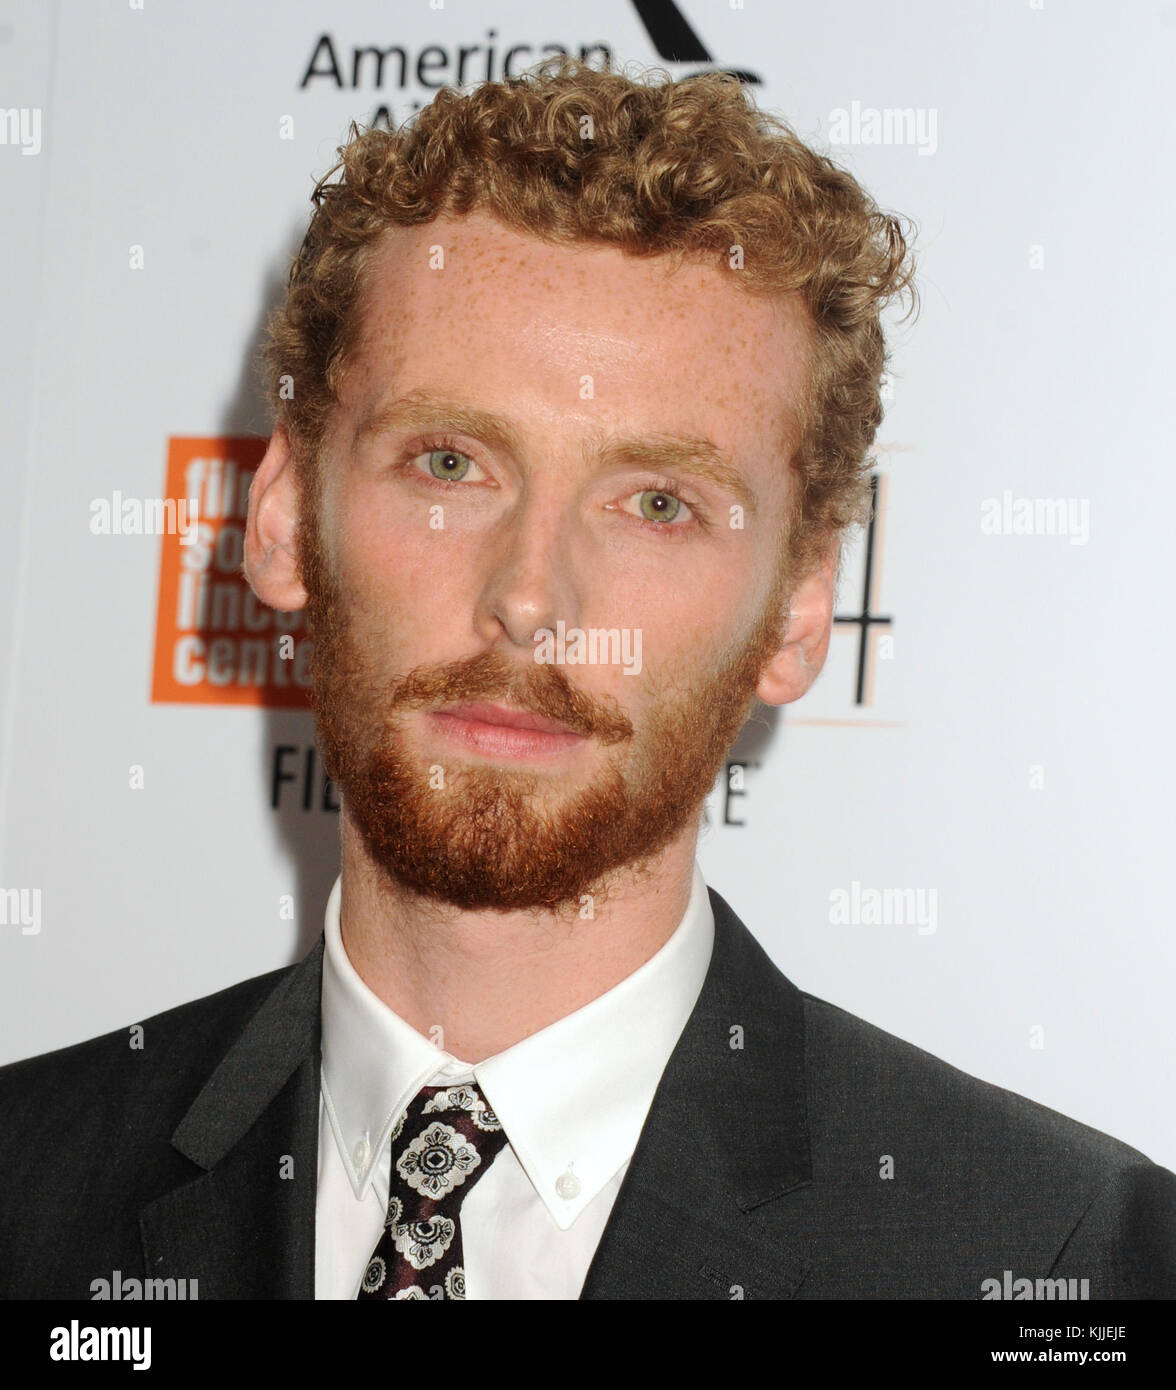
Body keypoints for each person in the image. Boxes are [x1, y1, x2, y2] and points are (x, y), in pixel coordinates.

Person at [1, 57, 1172, 1301]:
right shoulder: (28, 1189)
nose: (532, 599)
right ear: (284, 516)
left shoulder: (1065, 1258)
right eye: (450, 464)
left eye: (659, 502)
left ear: (800, 606)